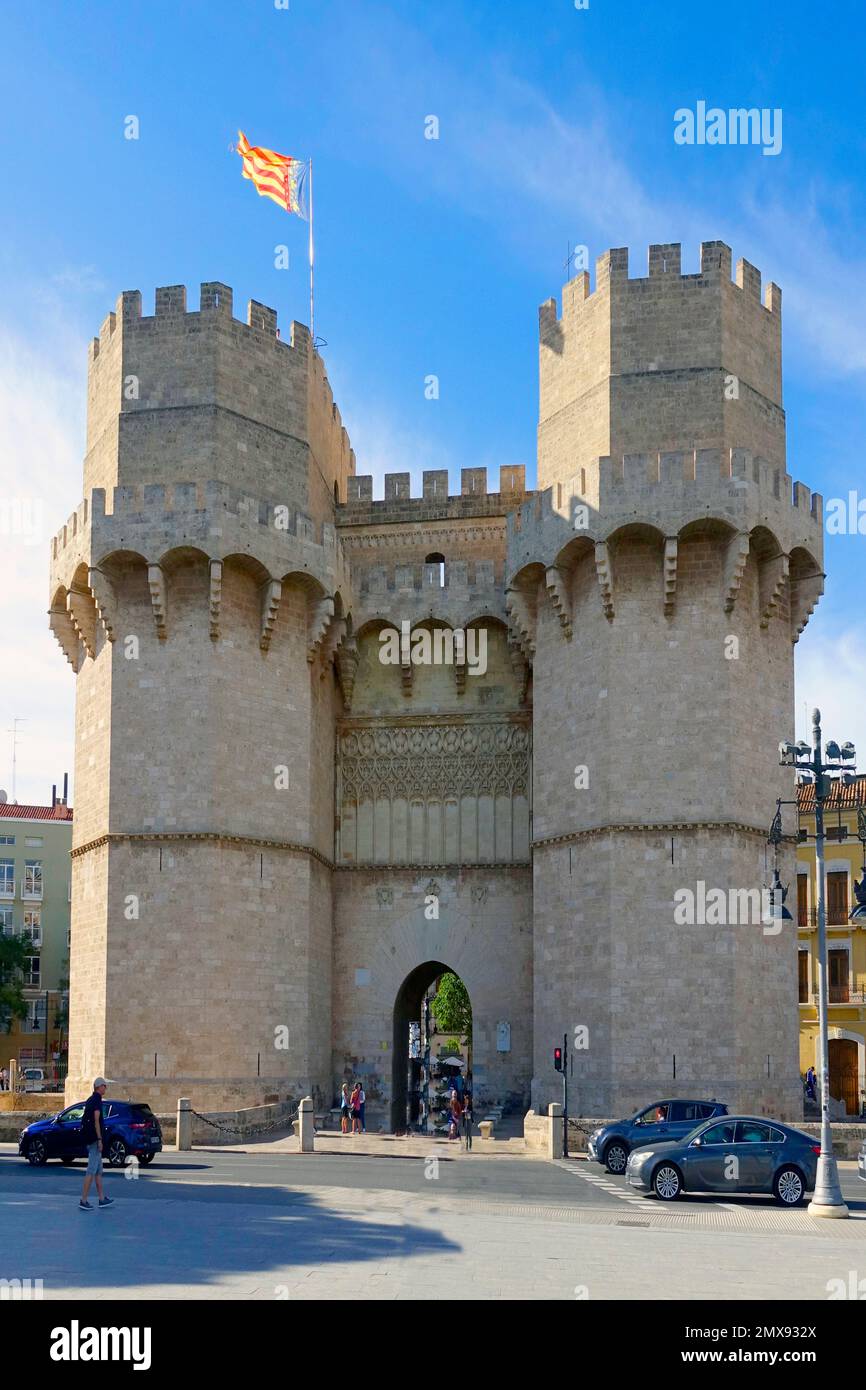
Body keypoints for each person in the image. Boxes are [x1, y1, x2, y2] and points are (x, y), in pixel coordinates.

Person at [79, 1077, 114, 1210]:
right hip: (94, 1140)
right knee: (91, 1170)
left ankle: (101, 1198)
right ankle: (83, 1200)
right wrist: (99, 1140)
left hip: (90, 1138)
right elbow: (96, 1121)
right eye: (104, 1085)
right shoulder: (97, 1101)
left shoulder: (90, 1099)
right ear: (99, 1087)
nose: (106, 1088)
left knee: (98, 1171)